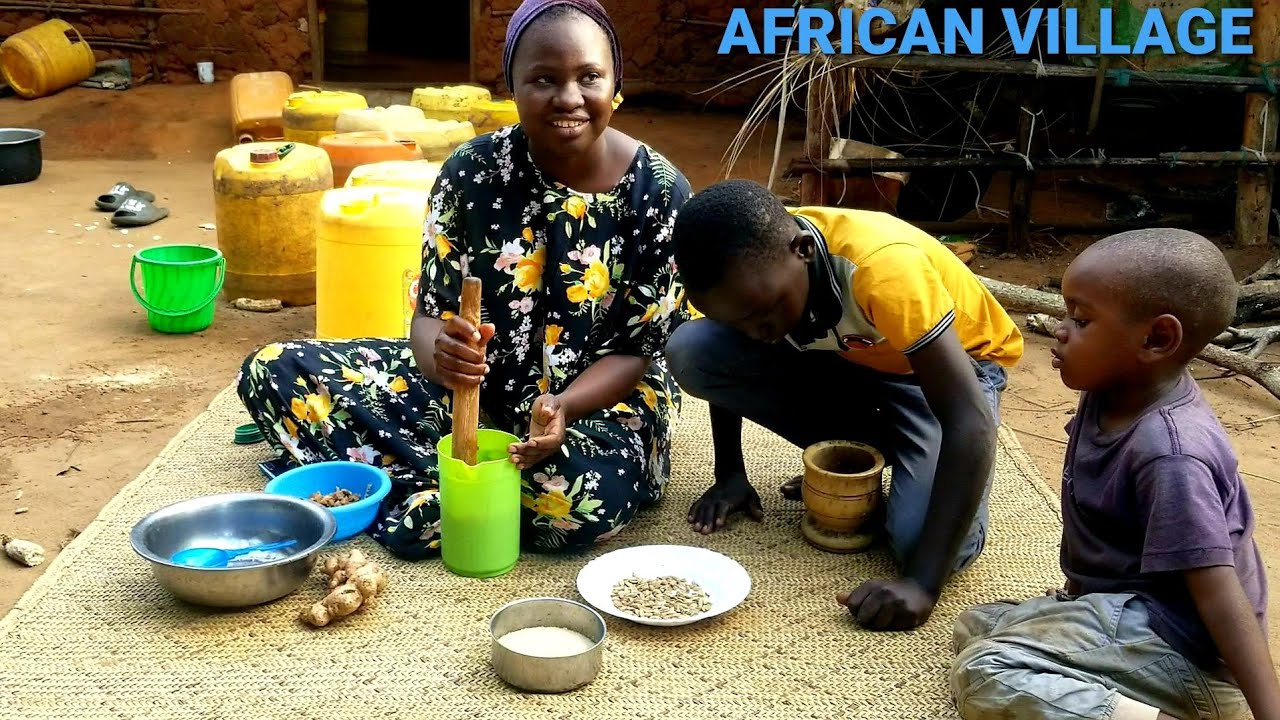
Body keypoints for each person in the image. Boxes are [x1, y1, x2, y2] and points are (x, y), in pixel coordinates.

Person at [237, 0, 693, 559]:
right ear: (512, 87)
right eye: (544, 79)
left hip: (591, 407)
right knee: (273, 371)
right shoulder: (470, 173)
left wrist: (564, 407)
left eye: (589, 77)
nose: (569, 98)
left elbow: (640, 351)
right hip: (473, 395)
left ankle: (416, 487)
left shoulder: (660, 192)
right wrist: (444, 356)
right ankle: (460, 485)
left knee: (581, 500)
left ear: (615, 83)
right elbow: (429, 317)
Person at [664, 179, 1024, 631]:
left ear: (802, 251)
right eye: (738, 320)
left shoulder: (883, 267)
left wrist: (922, 584)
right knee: (694, 350)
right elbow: (735, 341)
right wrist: (731, 474)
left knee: (920, 544)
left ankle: (911, 457)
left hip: (943, 378)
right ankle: (884, 457)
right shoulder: (744, 276)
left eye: (765, 312)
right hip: (854, 362)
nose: (757, 331)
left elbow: (968, 422)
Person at [950, 229, 1278, 720]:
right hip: (1130, 606)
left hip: (1180, 646)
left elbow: (1219, 592)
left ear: (1156, 339)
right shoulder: (1113, 388)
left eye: (1080, 321)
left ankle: (1183, 710)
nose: (1060, 330)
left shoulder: (1171, 453)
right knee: (978, 625)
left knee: (986, 671)